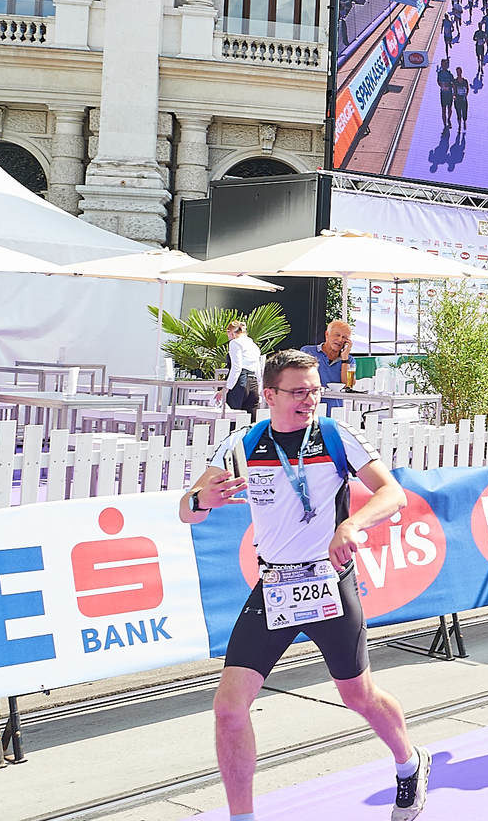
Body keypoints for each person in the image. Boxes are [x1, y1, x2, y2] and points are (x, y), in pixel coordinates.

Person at [179, 350, 428, 821]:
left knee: (358, 696)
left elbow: (393, 493)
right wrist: (199, 497)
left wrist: (352, 525)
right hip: (274, 586)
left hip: (328, 582)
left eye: (314, 390)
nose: (309, 399)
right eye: (297, 392)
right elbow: (186, 509)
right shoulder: (241, 444)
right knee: (229, 708)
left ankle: (409, 763)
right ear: (268, 395)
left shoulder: (334, 435)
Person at [224, 320, 264, 419]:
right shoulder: (254, 346)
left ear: (231, 332)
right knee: (251, 419)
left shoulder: (235, 343)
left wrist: (226, 388)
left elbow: (237, 367)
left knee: (233, 418)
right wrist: (259, 389)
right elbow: (258, 368)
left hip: (240, 381)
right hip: (253, 381)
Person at [436, 57, 455, 130]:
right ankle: (444, 124)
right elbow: (438, 82)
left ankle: (449, 119)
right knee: (443, 109)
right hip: (443, 94)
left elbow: (453, 83)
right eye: (443, 65)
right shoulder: (439, 74)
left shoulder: (450, 74)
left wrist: (453, 93)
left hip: (449, 94)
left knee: (449, 108)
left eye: (446, 64)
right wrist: (442, 85)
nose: (444, 66)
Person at [452, 67, 471, 135]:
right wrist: (454, 96)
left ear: (461, 72)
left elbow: (467, 89)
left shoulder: (465, 81)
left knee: (464, 112)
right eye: (457, 72)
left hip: (463, 99)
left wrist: (465, 95)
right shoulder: (454, 81)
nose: (458, 73)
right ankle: (459, 125)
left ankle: (464, 122)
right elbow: (453, 90)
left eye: (459, 72)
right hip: (457, 99)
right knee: (458, 113)